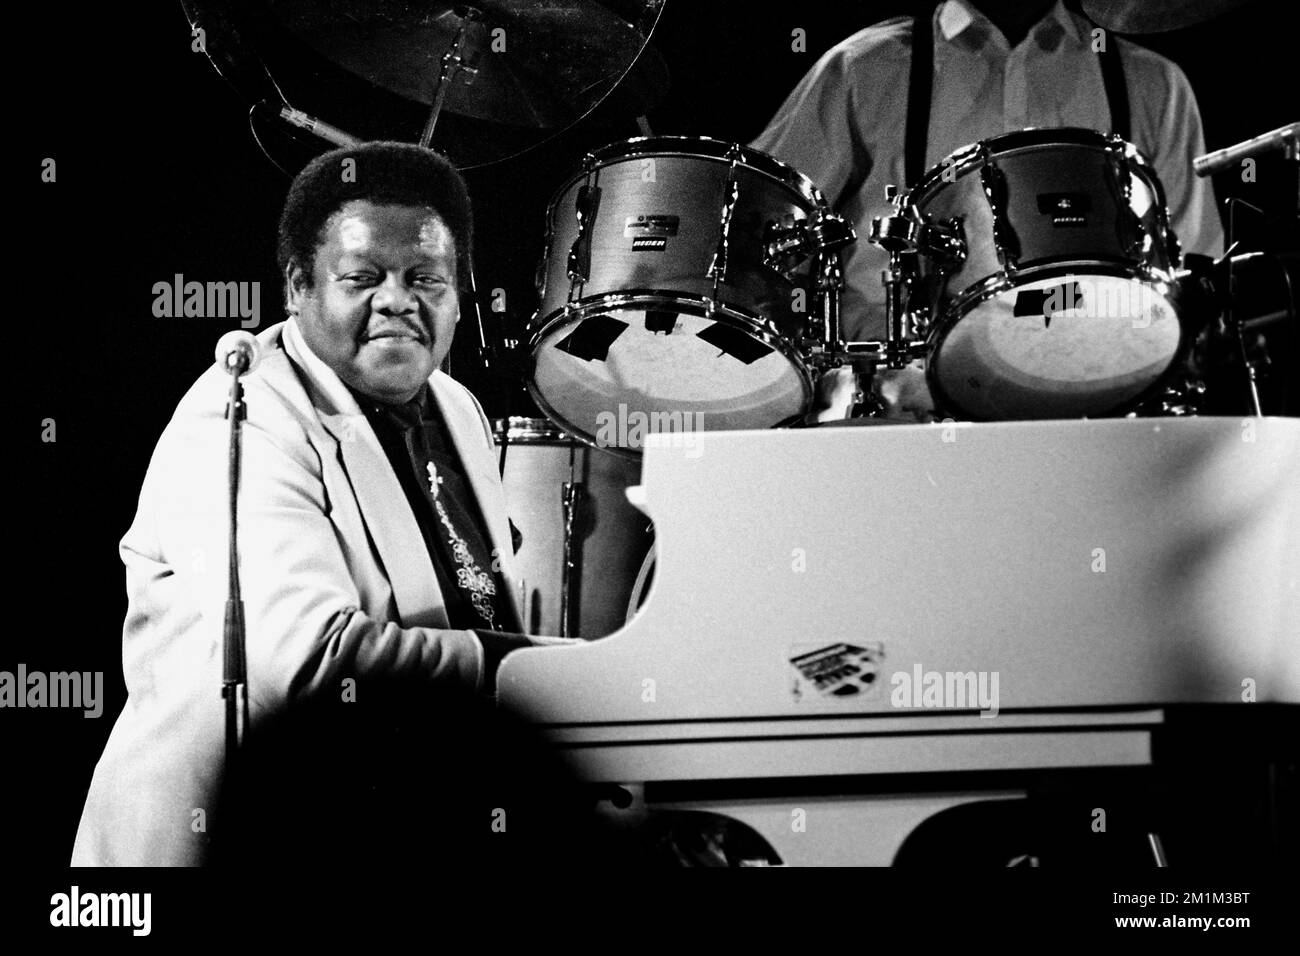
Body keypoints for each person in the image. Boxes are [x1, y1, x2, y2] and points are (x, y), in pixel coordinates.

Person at [72, 142, 574, 866]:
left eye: (426, 279)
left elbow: (472, 606)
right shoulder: (240, 416)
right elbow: (311, 666)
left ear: (459, 295)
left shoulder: (456, 409)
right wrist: (551, 675)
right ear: (298, 287)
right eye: (363, 277)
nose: (398, 300)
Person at [753, 0, 1224, 419]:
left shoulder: (1151, 81)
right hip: (896, 408)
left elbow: (1192, 269)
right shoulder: (862, 67)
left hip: (1098, 401)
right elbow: (751, 232)